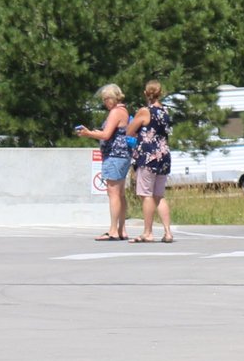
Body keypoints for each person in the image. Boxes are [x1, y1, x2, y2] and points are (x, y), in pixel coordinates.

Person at [75, 84, 134, 240]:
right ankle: (122, 229)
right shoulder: (124, 111)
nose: (105, 102)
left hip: (114, 156)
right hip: (123, 155)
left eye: (106, 99)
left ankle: (113, 230)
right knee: (120, 194)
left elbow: (107, 135)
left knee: (113, 193)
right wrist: (94, 133)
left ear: (112, 98)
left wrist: (88, 134)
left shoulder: (115, 112)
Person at [128, 80, 175, 243]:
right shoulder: (165, 111)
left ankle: (148, 232)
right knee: (159, 195)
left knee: (146, 194)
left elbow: (130, 130)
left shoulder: (145, 111)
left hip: (148, 156)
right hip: (164, 155)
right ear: (160, 93)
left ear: (145, 93)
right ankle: (168, 232)